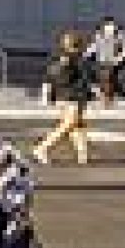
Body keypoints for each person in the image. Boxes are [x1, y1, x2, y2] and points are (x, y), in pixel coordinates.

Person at [34, 31, 94, 166]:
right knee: (68, 124)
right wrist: (47, 94)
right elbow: (53, 75)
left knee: (76, 125)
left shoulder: (70, 57)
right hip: (69, 95)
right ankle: (42, 148)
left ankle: (82, 154)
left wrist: (47, 93)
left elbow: (50, 77)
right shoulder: (68, 58)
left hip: (70, 95)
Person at [89, 15, 125, 105]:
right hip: (105, 60)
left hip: (112, 60)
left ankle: (108, 95)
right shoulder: (101, 34)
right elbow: (94, 46)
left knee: (108, 77)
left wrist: (122, 57)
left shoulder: (117, 34)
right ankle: (107, 95)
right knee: (106, 77)